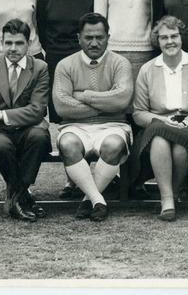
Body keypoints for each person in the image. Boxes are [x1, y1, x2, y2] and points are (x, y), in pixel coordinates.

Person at [130, 16, 188, 221]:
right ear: (157, 41)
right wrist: (161, 122)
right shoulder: (147, 69)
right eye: (164, 37)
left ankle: (175, 194)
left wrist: (186, 123)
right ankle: (167, 199)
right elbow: (139, 112)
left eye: (174, 36)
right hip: (158, 125)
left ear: (181, 37)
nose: (170, 41)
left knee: (180, 146)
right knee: (159, 138)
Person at [53, 13, 134, 221]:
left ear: (108, 36)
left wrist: (84, 96)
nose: (94, 43)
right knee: (69, 144)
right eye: (88, 38)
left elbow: (122, 100)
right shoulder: (65, 65)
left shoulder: (120, 63)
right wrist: (106, 104)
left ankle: (89, 200)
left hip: (113, 124)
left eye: (100, 37)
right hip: (75, 126)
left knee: (114, 145)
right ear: (78, 38)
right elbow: (62, 106)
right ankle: (97, 200)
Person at [0, 19, 51, 222]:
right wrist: (4, 116)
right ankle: (23, 197)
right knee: (1, 145)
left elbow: (37, 111)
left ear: (29, 43)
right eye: (8, 43)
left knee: (39, 136)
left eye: (19, 43)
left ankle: (15, 196)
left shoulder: (40, 68)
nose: (13, 48)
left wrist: (0, 114)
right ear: (1, 43)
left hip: (28, 129)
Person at [36, 0, 96, 125]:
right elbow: (43, 32)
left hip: (85, 61)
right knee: (62, 117)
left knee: (86, 111)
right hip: (56, 62)